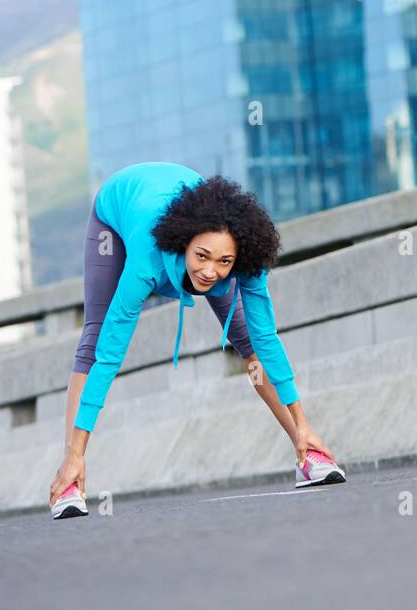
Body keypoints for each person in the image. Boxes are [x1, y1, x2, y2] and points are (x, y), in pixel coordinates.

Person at [49, 161, 344, 518]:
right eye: (201, 256)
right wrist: (76, 453)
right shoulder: (146, 262)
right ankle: (71, 472)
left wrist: (303, 423)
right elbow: (109, 355)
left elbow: (266, 339)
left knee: (247, 341)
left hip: (189, 203)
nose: (210, 272)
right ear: (185, 243)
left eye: (224, 262)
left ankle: (306, 450)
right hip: (115, 214)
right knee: (96, 341)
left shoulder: (242, 261)